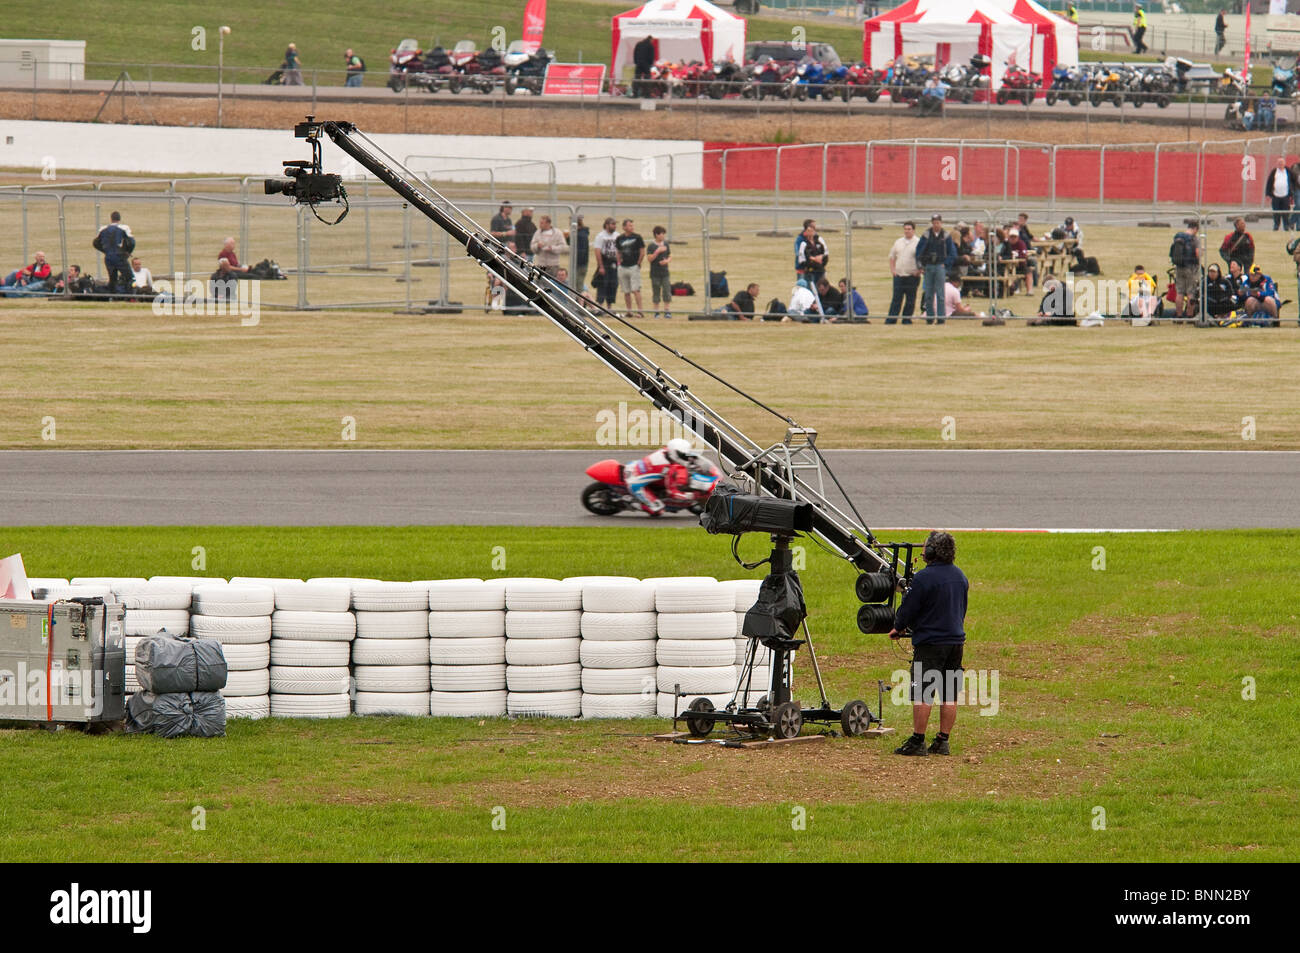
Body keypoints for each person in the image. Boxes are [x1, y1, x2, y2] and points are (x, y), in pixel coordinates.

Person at [889, 531, 968, 757]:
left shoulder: (924, 578)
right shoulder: (961, 576)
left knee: (923, 692)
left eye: (925, 547)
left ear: (932, 551)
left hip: (931, 644)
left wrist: (898, 627)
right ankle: (943, 740)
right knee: (949, 693)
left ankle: (917, 740)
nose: (923, 551)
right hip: (956, 642)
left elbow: (908, 609)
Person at [623, 437, 705, 516]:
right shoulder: (665, 468)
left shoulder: (666, 451)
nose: (685, 457)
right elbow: (672, 491)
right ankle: (630, 501)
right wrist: (691, 496)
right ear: (674, 453)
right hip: (634, 484)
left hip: (633, 467)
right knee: (658, 509)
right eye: (683, 455)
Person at [916, 214, 956, 324]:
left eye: (938, 222)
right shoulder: (926, 235)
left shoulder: (946, 236)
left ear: (941, 223)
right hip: (928, 266)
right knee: (928, 294)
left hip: (940, 266)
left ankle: (941, 318)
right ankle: (929, 317)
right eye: (934, 223)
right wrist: (921, 265)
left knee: (940, 294)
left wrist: (946, 264)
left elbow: (952, 253)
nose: (936, 225)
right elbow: (919, 251)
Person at [887, 220, 920, 324]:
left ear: (913, 230)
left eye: (909, 229)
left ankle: (906, 319)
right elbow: (892, 257)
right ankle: (891, 320)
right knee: (896, 299)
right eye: (905, 229)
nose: (907, 231)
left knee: (910, 300)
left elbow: (922, 258)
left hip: (912, 276)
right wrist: (893, 270)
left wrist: (918, 271)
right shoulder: (898, 242)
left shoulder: (918, 242)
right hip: (899, 276)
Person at [94, 211, 134, 296]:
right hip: (119, 256)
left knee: (112, 278)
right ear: (119, 219)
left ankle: (113, 296)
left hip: (108, 257)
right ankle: (129, 295)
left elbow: (95, 243)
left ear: (111, 219)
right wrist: (127, 252)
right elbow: (131, 242)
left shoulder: (103, 229)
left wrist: (105, 251)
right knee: (129, 276)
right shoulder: (124, 228)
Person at [614, 218, 646, 317]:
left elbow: (642, 251)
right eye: (629, 225)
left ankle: (640, 311)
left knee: (635, 289)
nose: (631, 227)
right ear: (624, 227)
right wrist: (619, 262)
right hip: (623, 267)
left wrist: (639, 262)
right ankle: (629, 311)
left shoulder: (637, 237)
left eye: (632, 225)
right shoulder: (620, 238)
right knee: (626, 291)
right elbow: (618, 251)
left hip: (633, 266)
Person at [1169, 220, 1201, 319]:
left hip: (1179, 267)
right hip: (1190, 268)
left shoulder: (1179, 237)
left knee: (1179, 292)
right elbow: (1197, 254)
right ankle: (1189, 315)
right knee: (1190, 292)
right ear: (1195, 229)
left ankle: (1179, 315)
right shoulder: (1194, 239)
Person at [592, 217, 620, 308]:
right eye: (613, 224)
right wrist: (601, 266)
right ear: (607, 225)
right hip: (605, 261)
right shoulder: (601, 236)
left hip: (614, 261)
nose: (614, 226)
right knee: (603, 284)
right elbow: (597, 251)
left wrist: (619, 262)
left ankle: (609, 307)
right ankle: (600, 305)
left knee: (613, 284)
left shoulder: (617, 235)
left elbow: (619, 250)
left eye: (615, 224)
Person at [646, 225, 673, 318]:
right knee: (656, 291)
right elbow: (649, 259)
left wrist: (666, 261)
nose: (663, 236)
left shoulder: (666, 244)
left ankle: (667, 310)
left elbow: (670, 256)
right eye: (661, 234)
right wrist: (657, 251)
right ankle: (656, 311)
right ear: (656, 235)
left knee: (667, 290)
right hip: (655, 273)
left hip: (665, 272)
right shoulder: (651, 246)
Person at [212, 235, 249, 301]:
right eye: (232, 243)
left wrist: (243, 267)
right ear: (227, 245)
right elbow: (212, 289)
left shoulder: (232, 254)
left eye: (234, 243)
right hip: (220, 297)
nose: (234, 245)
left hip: (228, 296)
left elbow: (232, 289)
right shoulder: (215, 276)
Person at [794, 220, 829, 291]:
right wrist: (813, 258)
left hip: (819, 269)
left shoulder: (819, 240)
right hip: (805, 269)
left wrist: (821, 258)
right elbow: (800, 254)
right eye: (812, 227)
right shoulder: (801, 240)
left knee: (820, 289)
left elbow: (825, 252)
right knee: (806, 289)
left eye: (813, 228)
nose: (814, 229)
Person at [1265, 158, 1295, 231]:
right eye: (1279, 163)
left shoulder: (1288, 171)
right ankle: (1276, 226)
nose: (1280, 164)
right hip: (1276, 196)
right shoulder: (1274, 172)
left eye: (1282, 163)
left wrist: (1292, 193)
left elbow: (1293, 181)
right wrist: (1268, 193)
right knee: (1276, 213)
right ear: (1277, 164)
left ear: (1284, 163)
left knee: (1286, 213)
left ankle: (1286, 226)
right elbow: (1269, 182)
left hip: (1285, 196)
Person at [573, 214, 590, 294]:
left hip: (580, 264)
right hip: (579, 263)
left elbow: (581, 250)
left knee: (578, 286)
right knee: (577, 284)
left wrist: (577, 263)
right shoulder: (581, 233)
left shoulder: (581, 234)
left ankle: (580, 303)